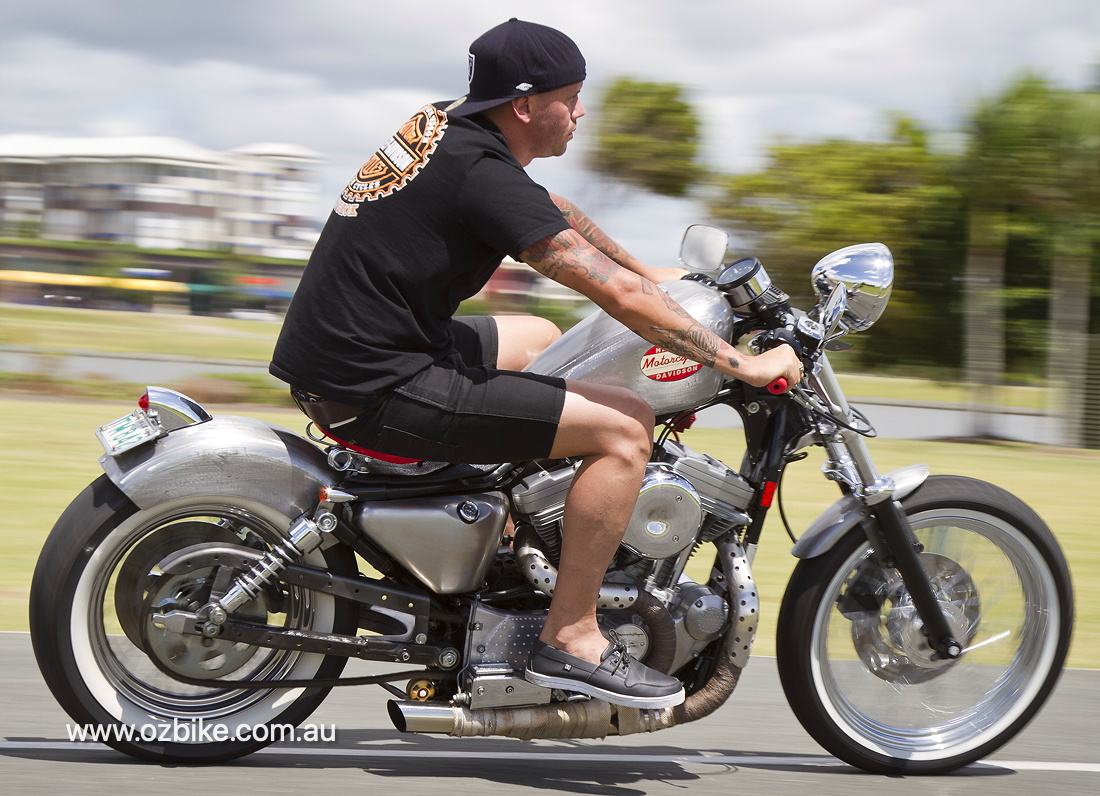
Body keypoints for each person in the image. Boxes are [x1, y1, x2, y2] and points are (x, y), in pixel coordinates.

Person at [270, 18, 801, 709]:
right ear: (524, 105)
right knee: (626, 427)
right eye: (571, 97)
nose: (581, 112)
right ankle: (573, 635)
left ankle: (522, 531)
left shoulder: (450, 131)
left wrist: (648, 269)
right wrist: (741, 364)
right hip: (380, 386)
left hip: (359, 353)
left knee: (534, 336)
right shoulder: (480, 174)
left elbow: (548, 207)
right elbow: (614, 298)